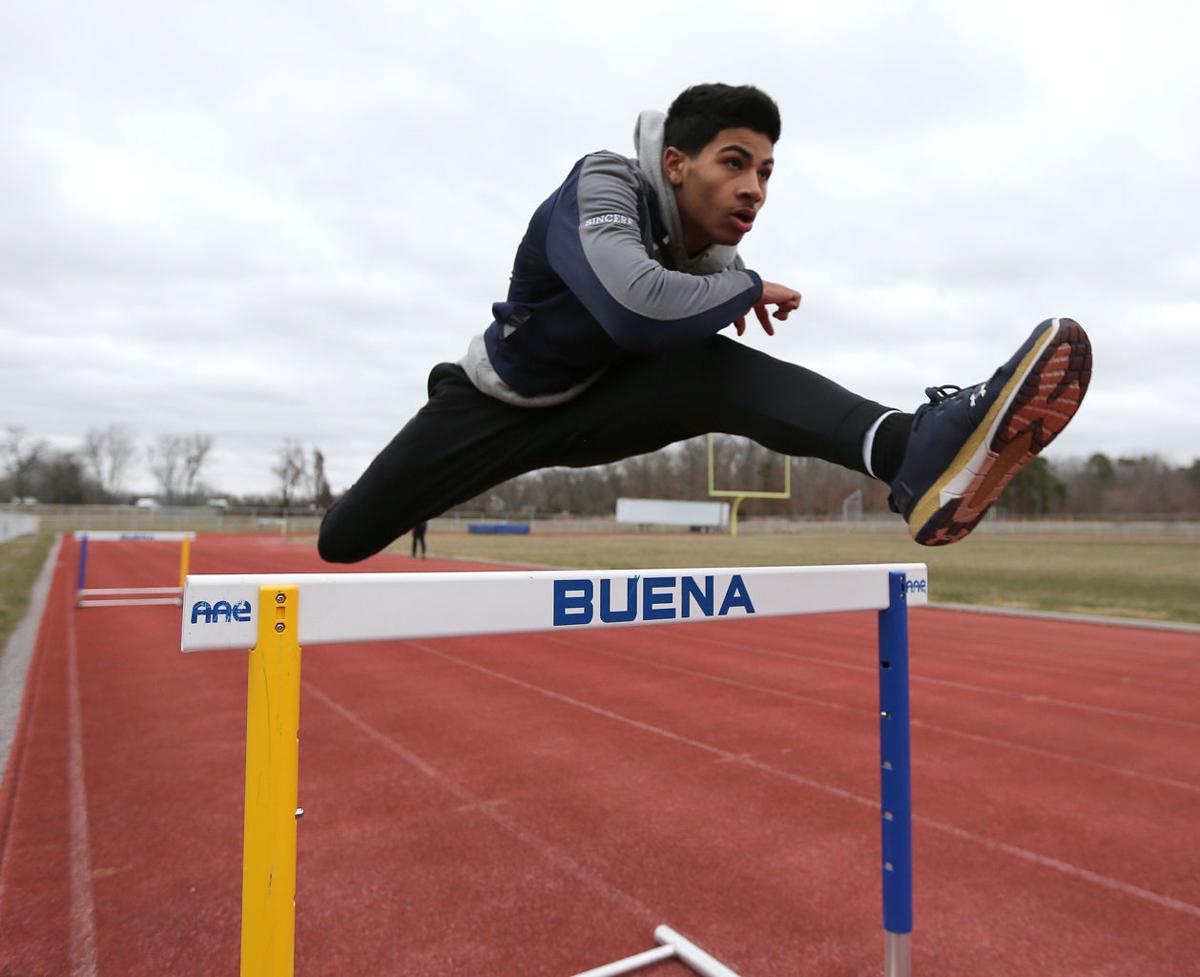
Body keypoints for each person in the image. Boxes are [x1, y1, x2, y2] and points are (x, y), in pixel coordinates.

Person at [318, 83, 1091, 564]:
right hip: (493, 405)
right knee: (344, 539)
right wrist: (742, 286)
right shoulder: (603, 184)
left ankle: (915, 449)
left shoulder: (714, 259)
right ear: (678, 163)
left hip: (603, 405)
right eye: (734, 162)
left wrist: (727, 291)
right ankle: (387, 486)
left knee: (709, 368)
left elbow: (669, 333)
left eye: (766, 172)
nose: (754, 188)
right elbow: (631, 305)